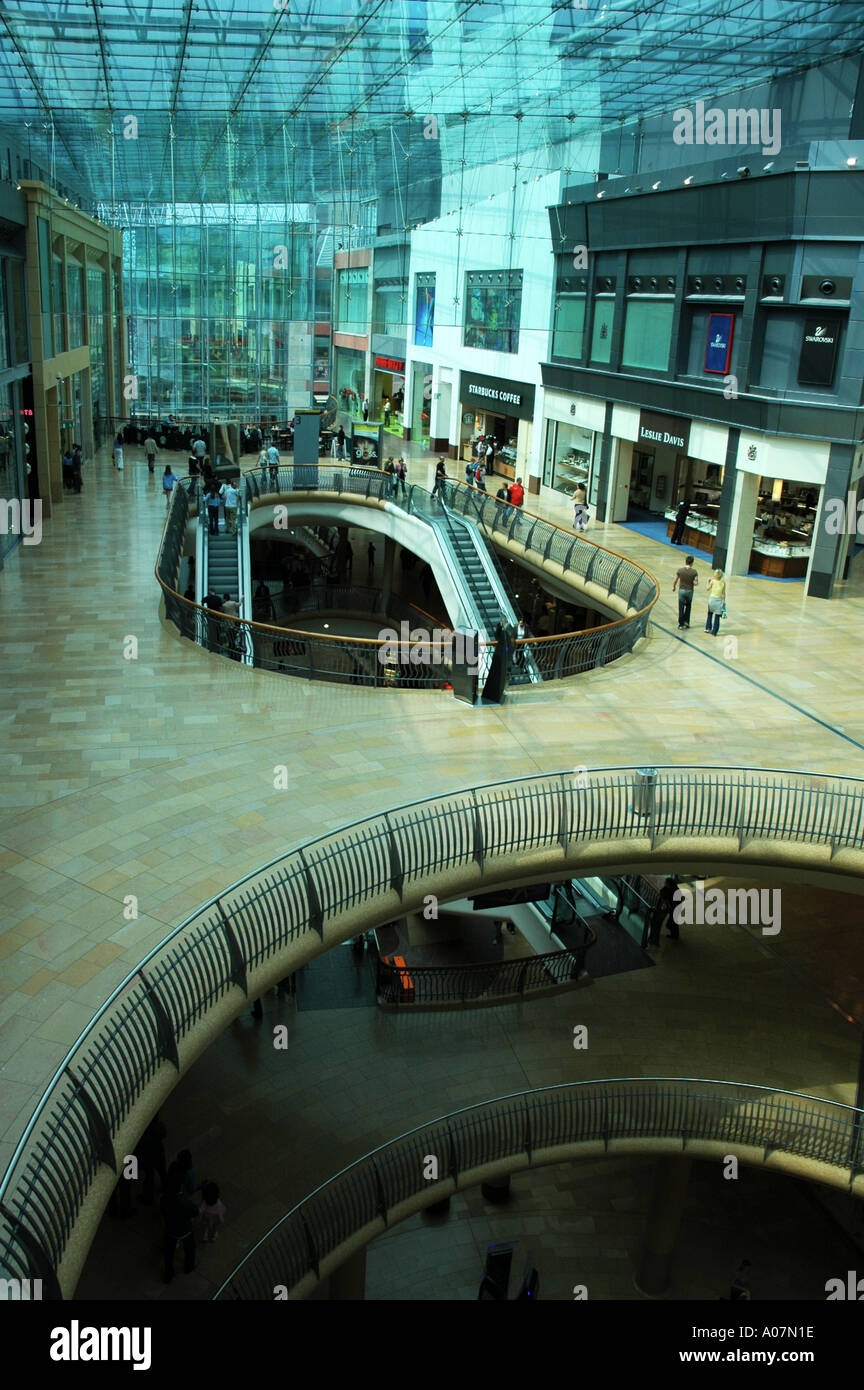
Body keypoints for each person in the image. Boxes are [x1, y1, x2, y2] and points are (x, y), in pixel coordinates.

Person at [161, 1163, 198, 1283]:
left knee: (168, 1253)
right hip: (184, 1230)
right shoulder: (184, 1202)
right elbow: (194, 1211)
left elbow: (162, 1210)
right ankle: (189, 1267)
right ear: (181, 1187)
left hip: (170, 1230)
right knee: (190, 1249)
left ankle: (168, 1273)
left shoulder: (165, 1198)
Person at [672, 555, 698, 629]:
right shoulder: (694, 572)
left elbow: (675, 580)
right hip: (690, 591)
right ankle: (686, 622)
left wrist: (674, 587)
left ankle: (681, 624)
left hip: (681, 591)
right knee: (688, 606)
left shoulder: (680, 570)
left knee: (681, 607)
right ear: (692, 563)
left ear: (685, 562)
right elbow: (695, 583)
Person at [704, 568, 727, 637]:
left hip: (712, 600)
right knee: (717, 617)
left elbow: (707, 588)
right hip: (719, 601)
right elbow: (723, 593)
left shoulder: (713, 581)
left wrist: (708, 582)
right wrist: (724, 601)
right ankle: (714, 632)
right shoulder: (723, 583)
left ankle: (708, 628)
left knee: (710, 614)